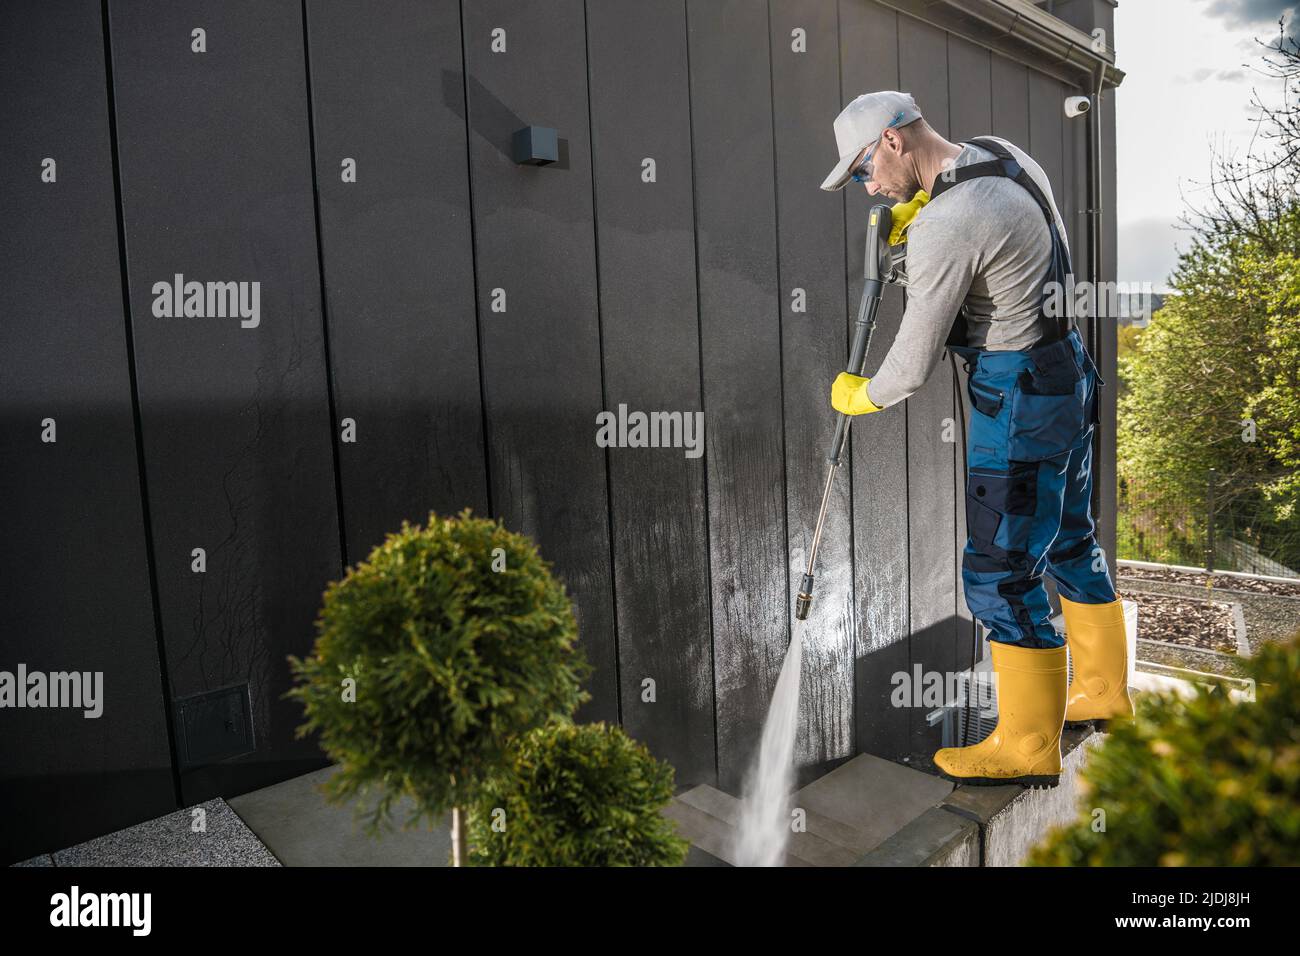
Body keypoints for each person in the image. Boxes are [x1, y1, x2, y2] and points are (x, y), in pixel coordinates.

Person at [819, 91, 1133, 788]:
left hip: (1018, 396)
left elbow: (910, 365)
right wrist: (926, 212)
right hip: (1067, 369)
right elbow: (1004, 238)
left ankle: (1027, 744)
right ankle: (1105, 691)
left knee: (1000, 571)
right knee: (1072, 539)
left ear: (895, 141)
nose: (866, 186)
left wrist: (857, 394)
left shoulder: (948, 224)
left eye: (865, 166)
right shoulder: (1001, 155)